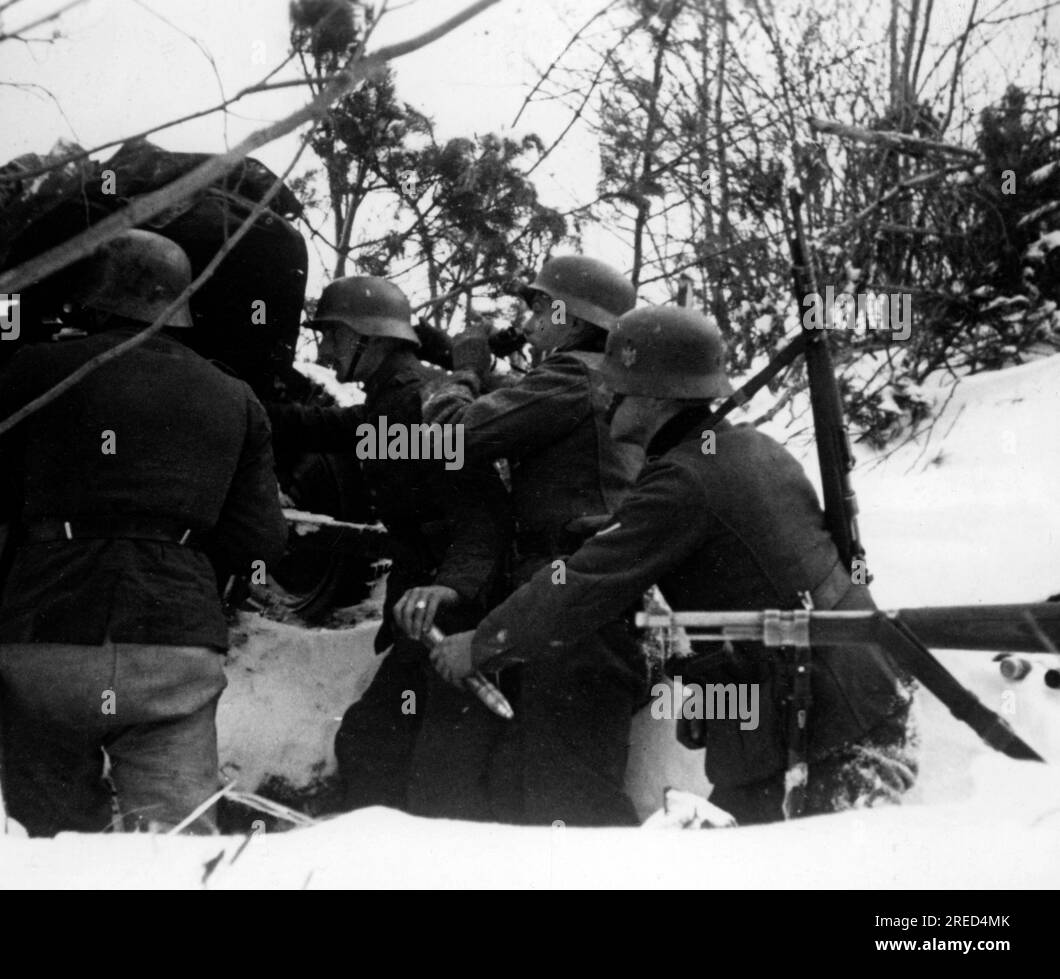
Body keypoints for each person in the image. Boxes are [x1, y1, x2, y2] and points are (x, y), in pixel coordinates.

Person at [429, 305, 917, 825]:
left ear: (660, 396)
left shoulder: (683, 480)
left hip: (819, 730)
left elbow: (580, 587)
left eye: (620, 385)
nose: (607, 393)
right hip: (857, 698)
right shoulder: (749, 446)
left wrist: (481, 645)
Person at [0, 229, 287, 835]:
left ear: (94, 295)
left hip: (46, 635)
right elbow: (262, 541)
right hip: (172, 646)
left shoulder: (36, 370)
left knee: (48, 844)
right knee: (177, 841)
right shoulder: (234, 396)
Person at [395, 254, 647, 826]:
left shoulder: (571, 377)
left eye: (538, 307)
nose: (529, 322)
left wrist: (460, 373)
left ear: (573, 317)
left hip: (573, 608)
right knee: (536, 789)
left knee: (572, 797)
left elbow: (452, 436)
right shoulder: (603, 380)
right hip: (579, 598)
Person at [265, 276, 509, 812]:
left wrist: (448, 589)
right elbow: (337, 427)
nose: (323, 352)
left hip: (459, 613)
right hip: (433, 607)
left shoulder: (423, 402)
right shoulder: (394, 401)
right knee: (375, 745)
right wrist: (250, 408)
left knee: (436, 775)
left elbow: (481, 514)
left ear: (368, 339)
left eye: (330, 337)